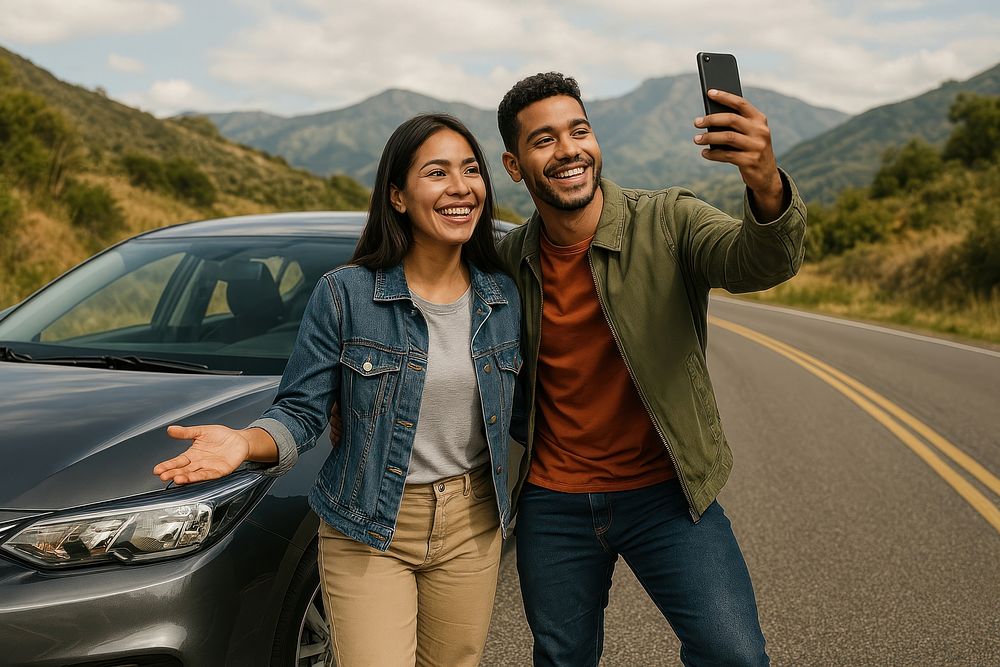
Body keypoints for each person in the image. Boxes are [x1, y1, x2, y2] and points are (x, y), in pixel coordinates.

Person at [153, 113, 523, 667]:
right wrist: (245, 442)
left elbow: (534, 408)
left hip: (472, 522)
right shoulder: (346, 295)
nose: (460, 187)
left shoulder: (504, 299)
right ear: (397, 196)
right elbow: (302, 410)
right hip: (369, 521)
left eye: (471, 170)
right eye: (436, 172)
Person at [495, 72, 807, 666]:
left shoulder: (668, 220)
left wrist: (764, 179)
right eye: (544, 139)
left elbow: (758, 262)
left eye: (579, 131)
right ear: (514, 165)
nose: (568, 150)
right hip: (554, 504)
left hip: (664, 494)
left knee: (735, 656)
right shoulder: (508, 262)